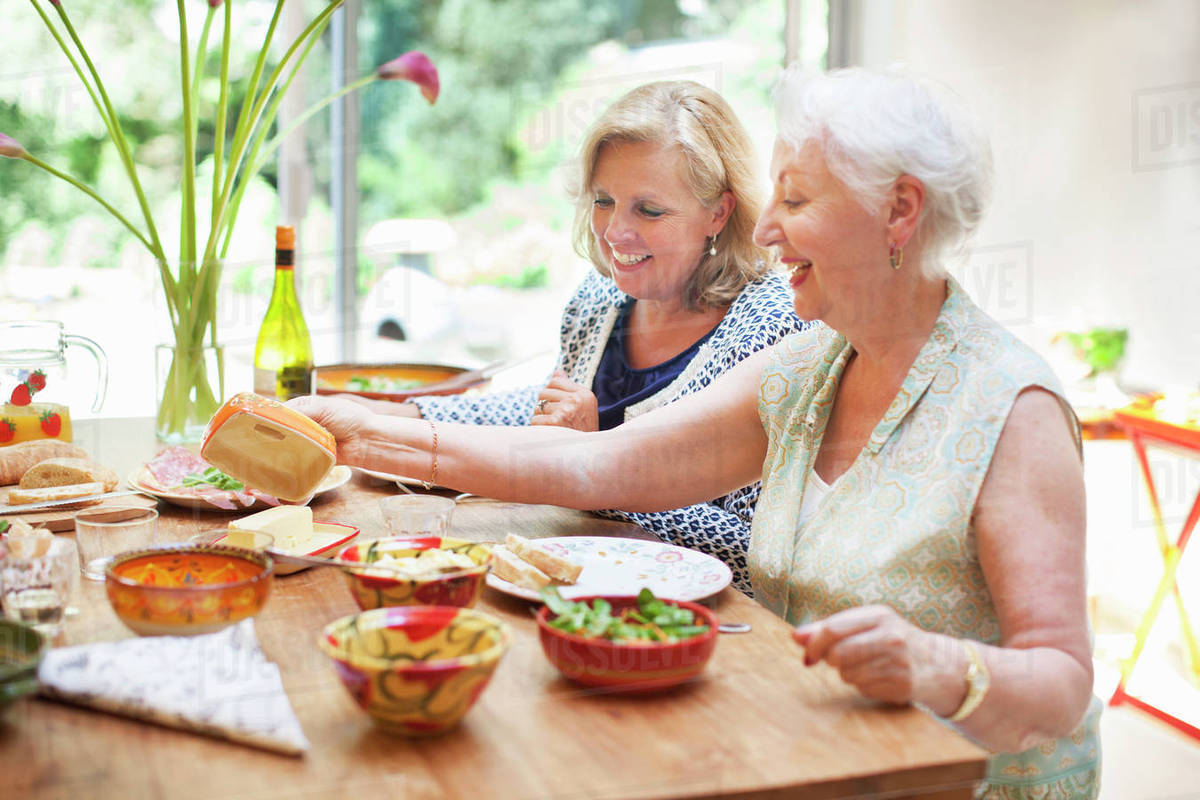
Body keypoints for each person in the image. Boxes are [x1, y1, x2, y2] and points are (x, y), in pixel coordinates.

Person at [294, 66, 1100, 798]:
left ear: (898, 210)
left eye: (796, 199)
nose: (770, 228)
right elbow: (597, 466)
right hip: (822, 755)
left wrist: (932, 664)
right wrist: (361, 431)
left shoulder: (1010, 406)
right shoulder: (811, 366)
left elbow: (1061, 682)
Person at [345, 81, 806, 592]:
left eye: (649, 211)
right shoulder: (602, 297)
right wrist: (398, 413)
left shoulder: (771, 330)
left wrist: (590, 464)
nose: (614, 232)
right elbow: (547, 409)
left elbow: (754, 554)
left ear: (718, 212)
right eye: (605, 200)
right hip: (575, 591)